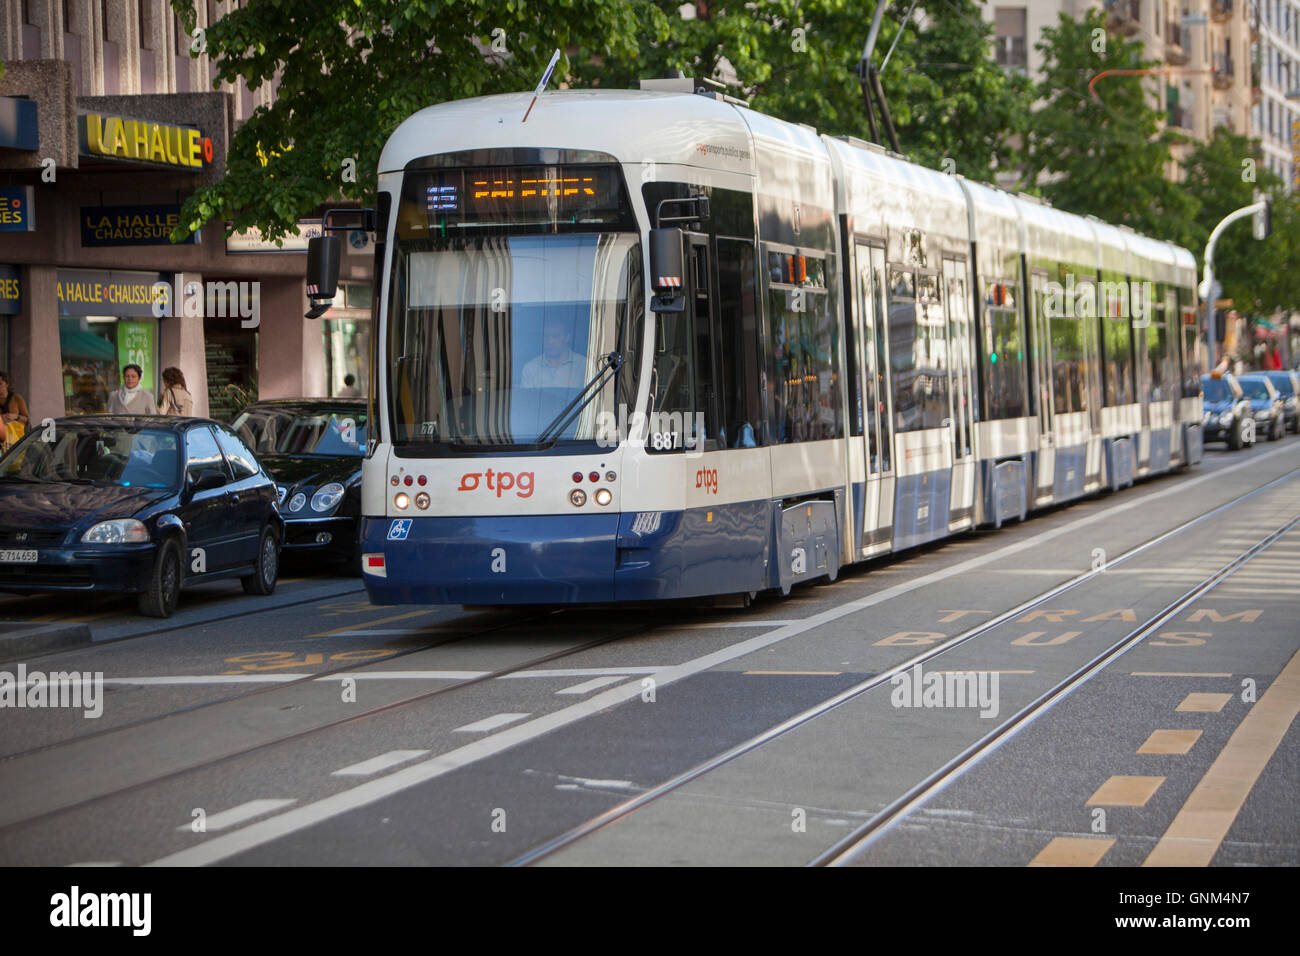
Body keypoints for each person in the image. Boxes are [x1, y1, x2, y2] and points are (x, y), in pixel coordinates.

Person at [521, 318, 587, 389]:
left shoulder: (584, 366)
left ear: (567, 338)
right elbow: (527, 399)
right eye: (546, 337)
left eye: (556, 336)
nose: (550, 341)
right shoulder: (530, 368)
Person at [0, 370, 30, 451]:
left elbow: (27, 420)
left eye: (0, 384)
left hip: (15, 442)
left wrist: (16, 417)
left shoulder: (16, 398)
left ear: (7, 384)